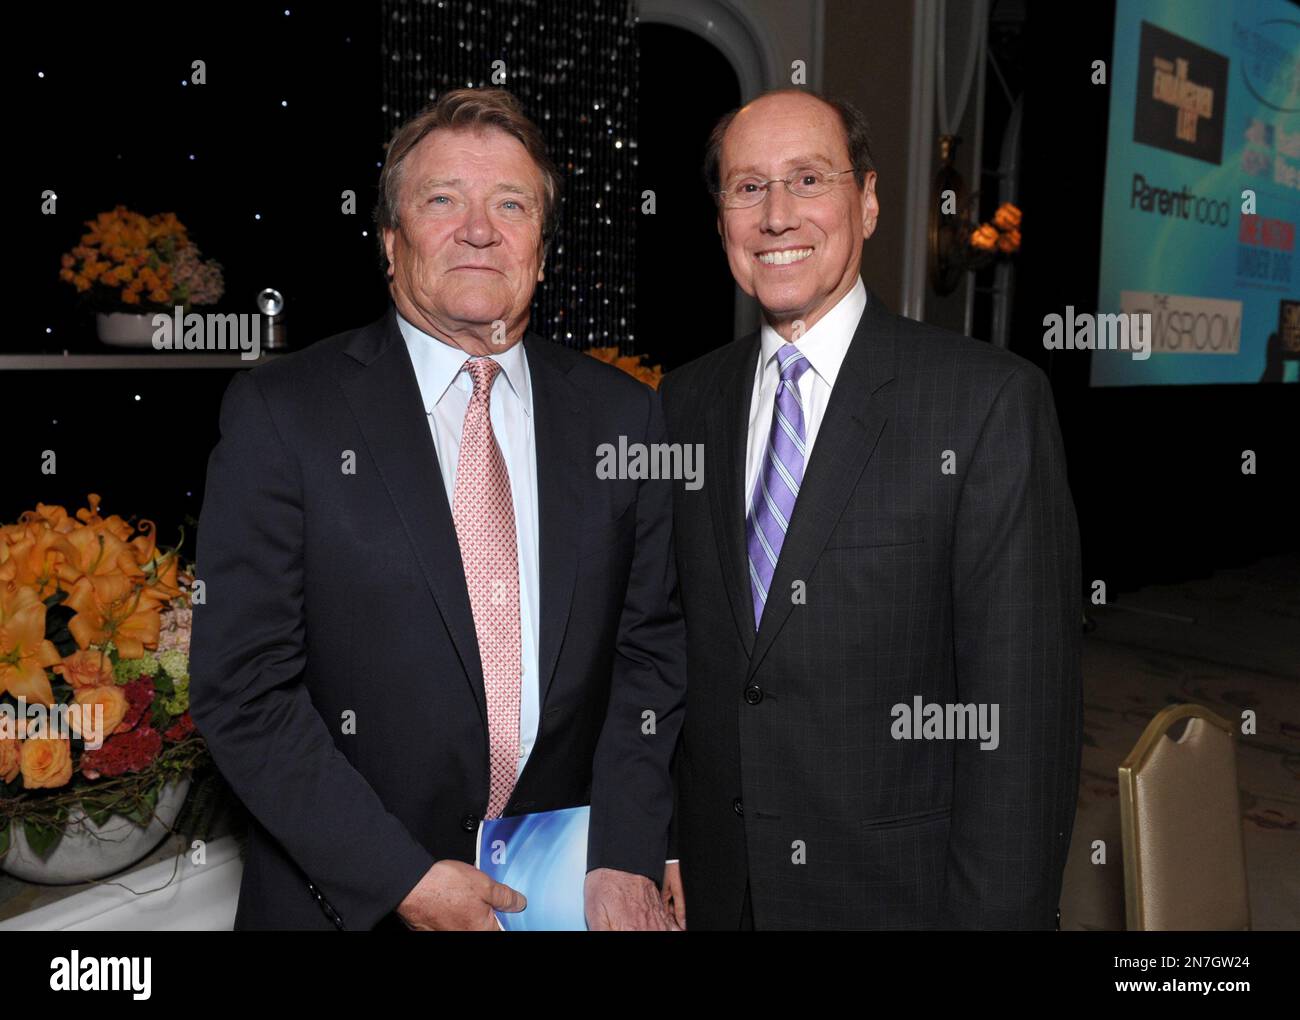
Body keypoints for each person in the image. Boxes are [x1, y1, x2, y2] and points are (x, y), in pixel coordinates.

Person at [189, 88, 685, 931]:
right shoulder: (285, 412)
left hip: (557, 900)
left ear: (541, 244)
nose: (480, 229)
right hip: (345, 904)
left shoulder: (622, 416)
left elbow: (650, 656)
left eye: (511, 204)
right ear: (390, 241)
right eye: (442, 200)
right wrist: (400, 880)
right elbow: (241, 690)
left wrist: (626, 853)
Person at [658, 89, 1082, 930]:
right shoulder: (682, 404)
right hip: (715, 893)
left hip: (898, 899)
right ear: (720, 220)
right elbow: (672, 657)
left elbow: (1020, 725)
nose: (777, 215)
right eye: (747, 188)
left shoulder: (987, 405)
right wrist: (665, 844)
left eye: (808, 179)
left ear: (871, 201)